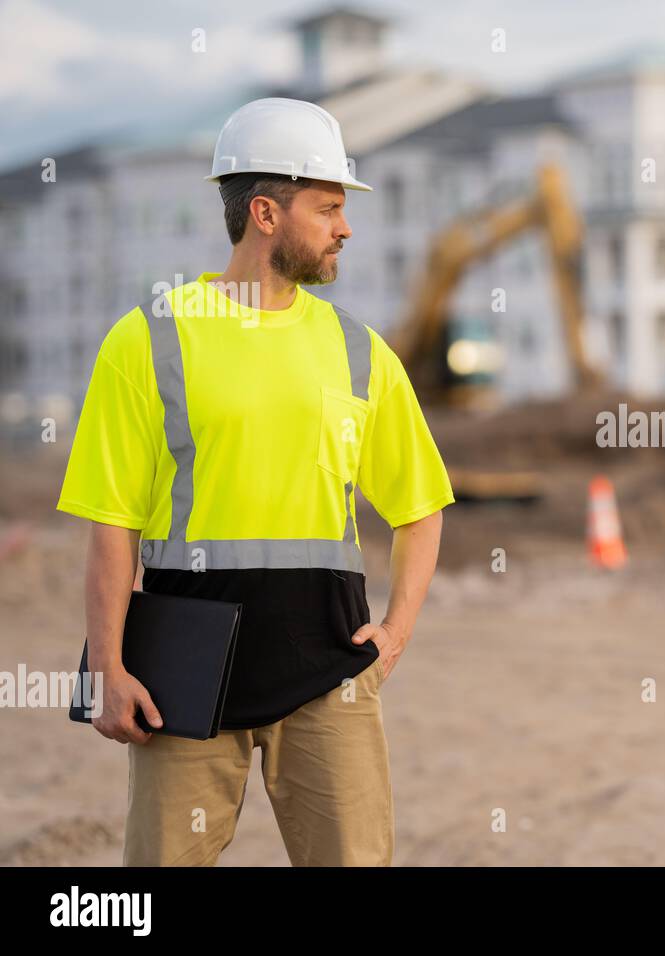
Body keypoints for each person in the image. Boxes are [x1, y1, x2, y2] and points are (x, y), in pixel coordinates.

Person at [55, 98, 455, 866]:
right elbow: (111, 523)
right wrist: (108, 667)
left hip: (330, 669)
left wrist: (396, 634)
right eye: (330, 208)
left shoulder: (359, 350)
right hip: (180, 675)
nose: (346, 228)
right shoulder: (149, 339)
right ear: (265, 213)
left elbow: (421, 505)